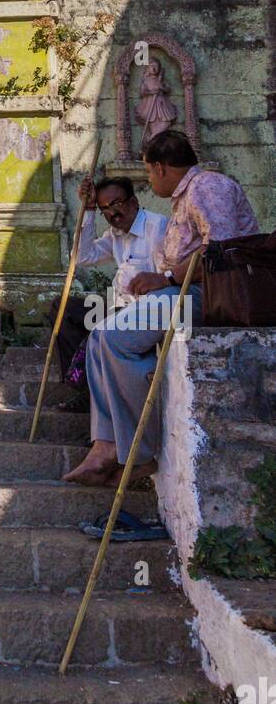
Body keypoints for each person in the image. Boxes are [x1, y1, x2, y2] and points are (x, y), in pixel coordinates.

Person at [65, 129, 258, 488]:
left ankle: (139, 452)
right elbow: (85, 255)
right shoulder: (188, 195)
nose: (151, 180)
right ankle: (106, 445)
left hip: (210, 294)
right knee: (99, 338)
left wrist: (166, 277)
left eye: (150, 173)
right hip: (184, 291)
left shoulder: (206, 186)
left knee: (117, 337)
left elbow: (221, 252)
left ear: (161, 167)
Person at [51, 176, 167, 403]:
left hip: (147, 314)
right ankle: (84, 388)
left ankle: (94, 392)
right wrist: (90, 209)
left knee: (101, 329)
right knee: (63, 308)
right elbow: (83, 256)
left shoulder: (157, 228)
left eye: (116, 203)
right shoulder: (115, 235)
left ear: (133, 202)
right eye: (105, 208)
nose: (112, 212)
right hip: (118, 309)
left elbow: (167, 278)